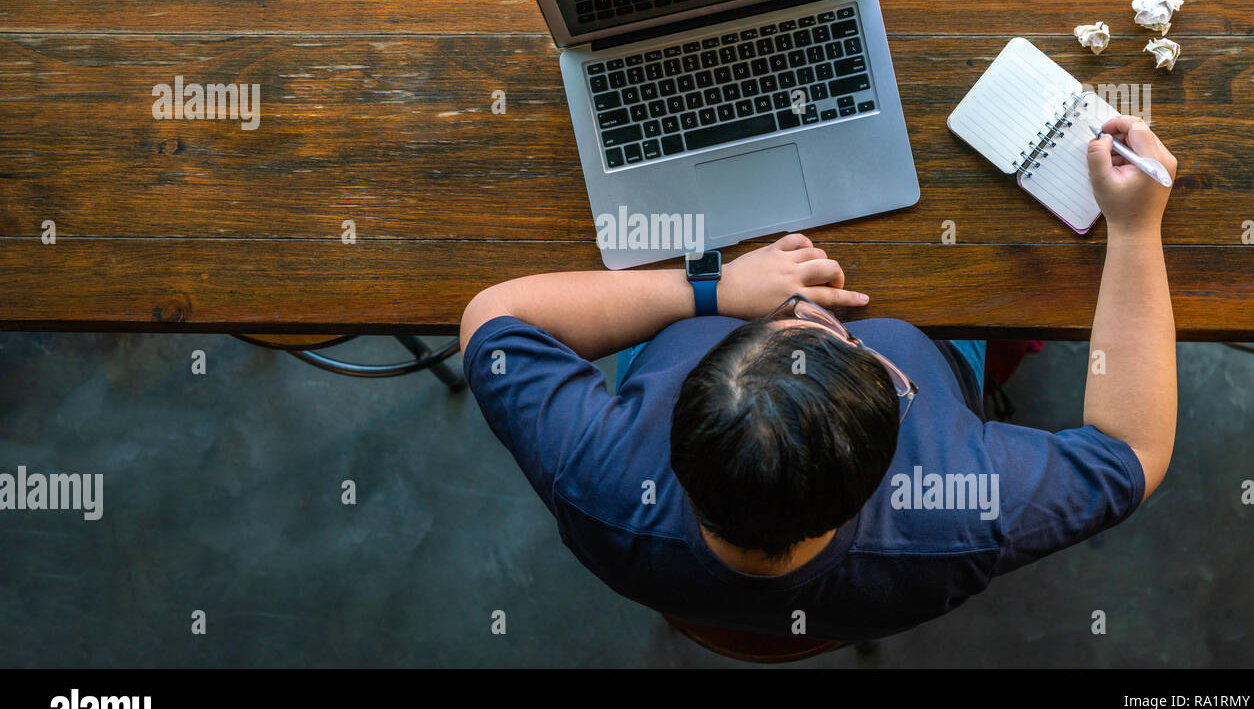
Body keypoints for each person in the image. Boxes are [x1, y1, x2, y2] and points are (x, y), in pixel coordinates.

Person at [459, 116, 1178, 642]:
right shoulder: (959, 509)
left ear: (682, 412)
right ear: (883, 460)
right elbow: (1133, 452)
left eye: (775, 325)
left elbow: (496, 314)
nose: (806, 307)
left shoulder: (601, 479)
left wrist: (711, 292)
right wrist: (1137, 231)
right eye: (869, 360)